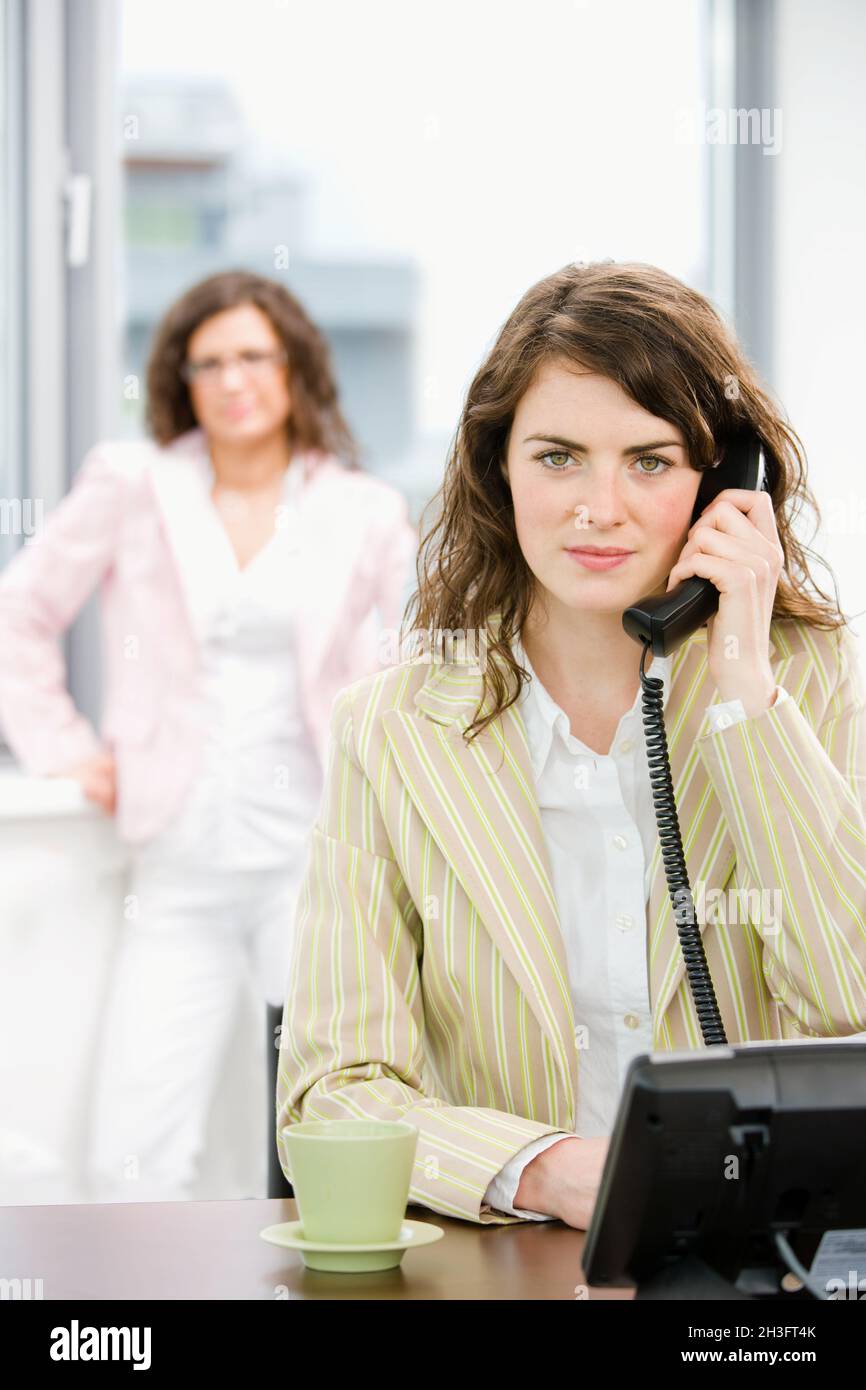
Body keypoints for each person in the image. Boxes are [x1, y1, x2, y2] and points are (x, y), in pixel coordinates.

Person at [276, 260, 866, 1229]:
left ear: (723, 483)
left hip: (759, 1256)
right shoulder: (390, 730)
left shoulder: (801, 682)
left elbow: (848, 1002)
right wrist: (541, 1167)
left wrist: (741, 689)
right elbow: (332, 1093)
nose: (600, 507)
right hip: (510, 1260)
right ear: (495, 466)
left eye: (648, 459)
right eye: (556, 457)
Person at [0, 269, 417, 1201]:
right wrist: (62, 746)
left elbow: (400, 669)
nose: (232, 380)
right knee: (130, 1153)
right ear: (181, 381)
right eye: (209, 362)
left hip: (317, 857)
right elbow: (18, 614)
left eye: (252, 357)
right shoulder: (136, 484)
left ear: (294, 367)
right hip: (177, 861)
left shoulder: (362, 510)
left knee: (324, 1138)